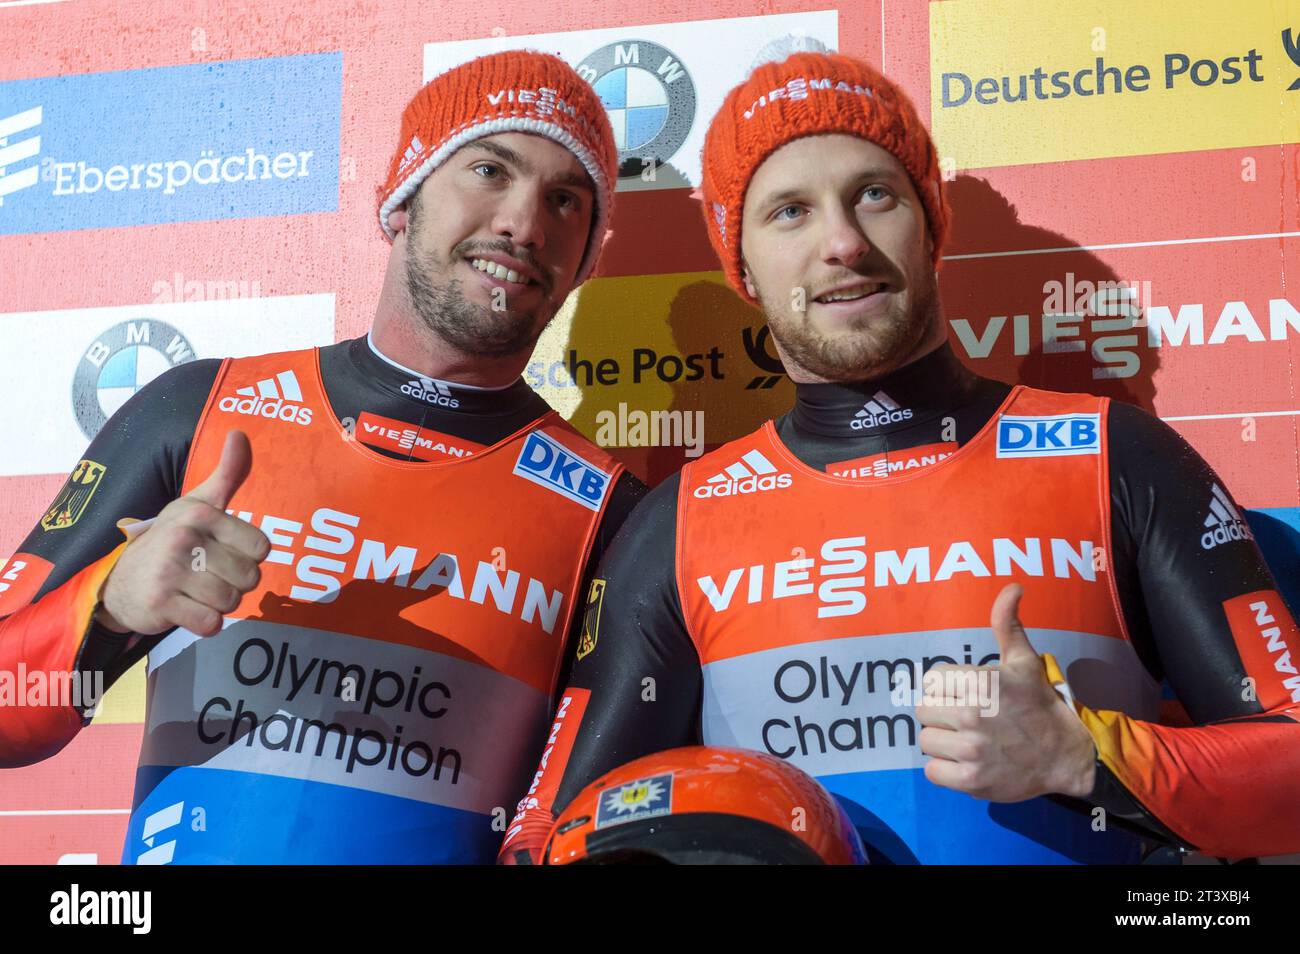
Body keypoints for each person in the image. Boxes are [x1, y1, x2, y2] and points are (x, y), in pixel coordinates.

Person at [500, 47, 1300, 864]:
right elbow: (542, 836)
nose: (843, 242)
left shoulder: (1114, 455)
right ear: (743, 265)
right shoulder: (681, 517)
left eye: (873, 195)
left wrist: (1082, 754)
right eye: (788, 212)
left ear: (930, 225)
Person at [0, 50, 646, 864]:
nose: (523, 223)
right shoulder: (198, 408)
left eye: (564, 201)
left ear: (584, 259)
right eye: (489, 169)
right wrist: (112, 607)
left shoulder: (612, 510)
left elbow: (575, 817)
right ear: (404, 199)